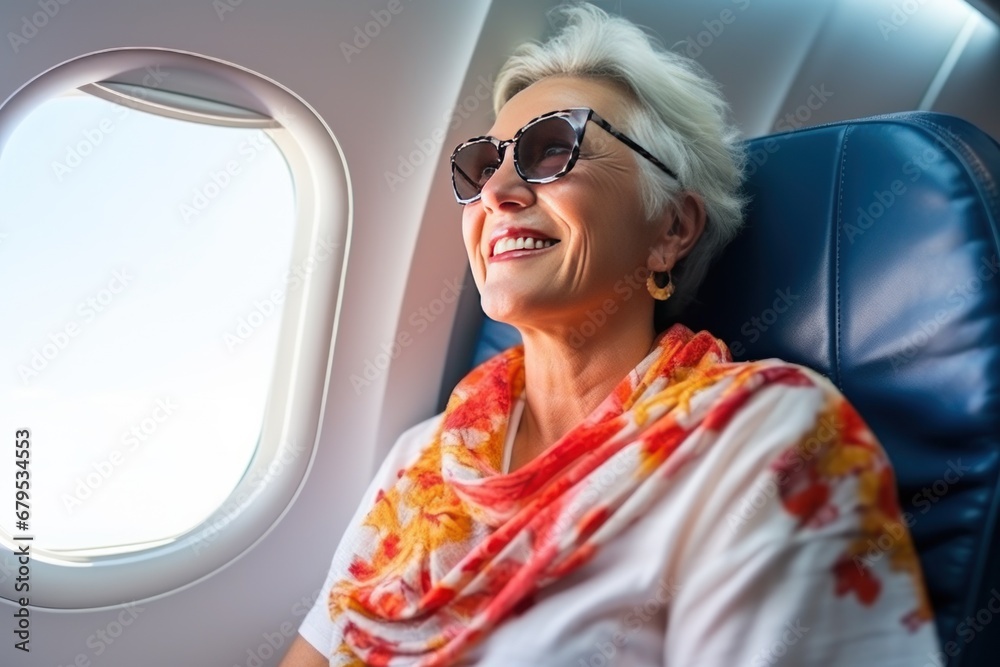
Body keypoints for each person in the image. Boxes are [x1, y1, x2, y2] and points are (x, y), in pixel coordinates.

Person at [281, 4, 940, 665]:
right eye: (483, 165)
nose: (497, 191)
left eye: (552, 149)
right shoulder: (423, 456)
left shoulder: (766, 437)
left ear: (671, 229)